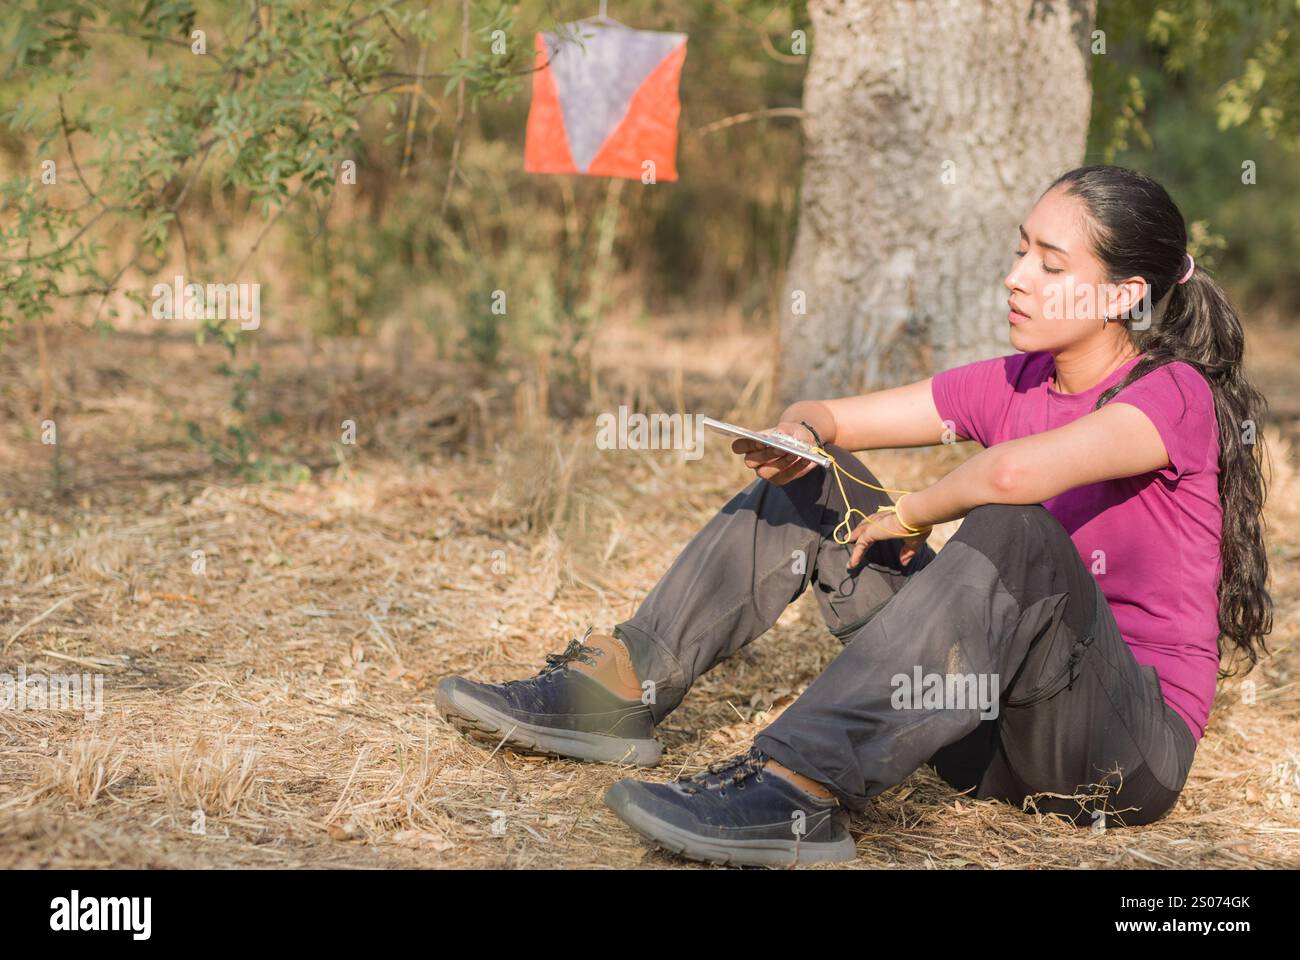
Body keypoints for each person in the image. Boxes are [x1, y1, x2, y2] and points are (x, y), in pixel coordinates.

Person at [434, 164, 1272, 866]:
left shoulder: (1175, 395)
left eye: (1051, 265)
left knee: (1015, 529)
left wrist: (912, 511)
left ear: (1127, 295)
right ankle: (615, 689)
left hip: (1114, 756)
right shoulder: (1015, 380)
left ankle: (796, 789)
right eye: (1020, 251)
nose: (1016, 277)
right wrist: (801, 434)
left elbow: (1012, 473)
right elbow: (835, 417)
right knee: (815, 479)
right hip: (982, 739)